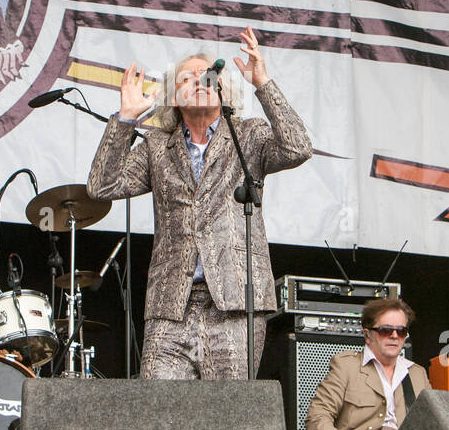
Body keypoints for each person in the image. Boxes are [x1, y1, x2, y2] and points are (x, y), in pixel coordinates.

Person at [87, 26, 312, 378]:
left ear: (221, 90)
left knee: (227, 417)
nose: (200, 80)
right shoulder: (156, 146)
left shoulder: (248, 135)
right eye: (187, 77)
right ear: (174, 99)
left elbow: (298, 147)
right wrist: (125, 120)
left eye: (207, 75)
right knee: (159, 415)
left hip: (235, 303)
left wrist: (262, 83)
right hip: (170, 306)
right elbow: (102, 186)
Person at [305, 297, 430, 430]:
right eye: (386, 330)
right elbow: (316, 417)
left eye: (401, 331)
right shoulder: (346, 366)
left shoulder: (417, 374)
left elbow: (431, 428)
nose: (394, 336)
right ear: (367, 334)